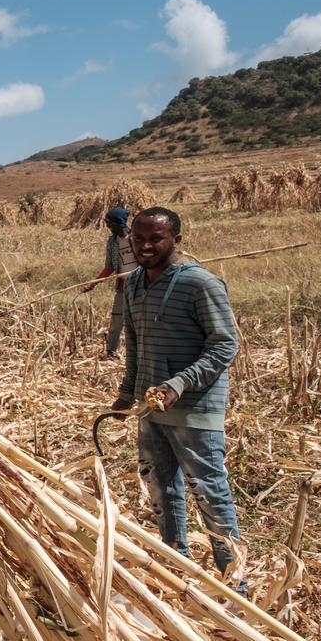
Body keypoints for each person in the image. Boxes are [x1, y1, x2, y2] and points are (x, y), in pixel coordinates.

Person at [110, 207, 243, 583]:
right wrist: (127, 395)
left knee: (209, 493)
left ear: (176, 241)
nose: (146, 246)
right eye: (139, 239)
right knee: (159, 487)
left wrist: (177, 384)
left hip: (194, 409)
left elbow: (224, 345)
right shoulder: (135, 282)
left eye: (156, 238)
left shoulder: (201, 284)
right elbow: (135, 343)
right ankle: (175, 569)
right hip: (151, 409)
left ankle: (235, 581)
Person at [81, 206, 138, 358]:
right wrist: (93, 283)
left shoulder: (137, 238)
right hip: (122, 287)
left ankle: (141, 353)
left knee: (140, 322)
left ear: (118, 222)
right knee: (116, 321)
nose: (107, 226)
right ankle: (111, 352)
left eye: (109, 223)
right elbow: (109, 267)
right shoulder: (112, 242)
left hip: (141, 286)